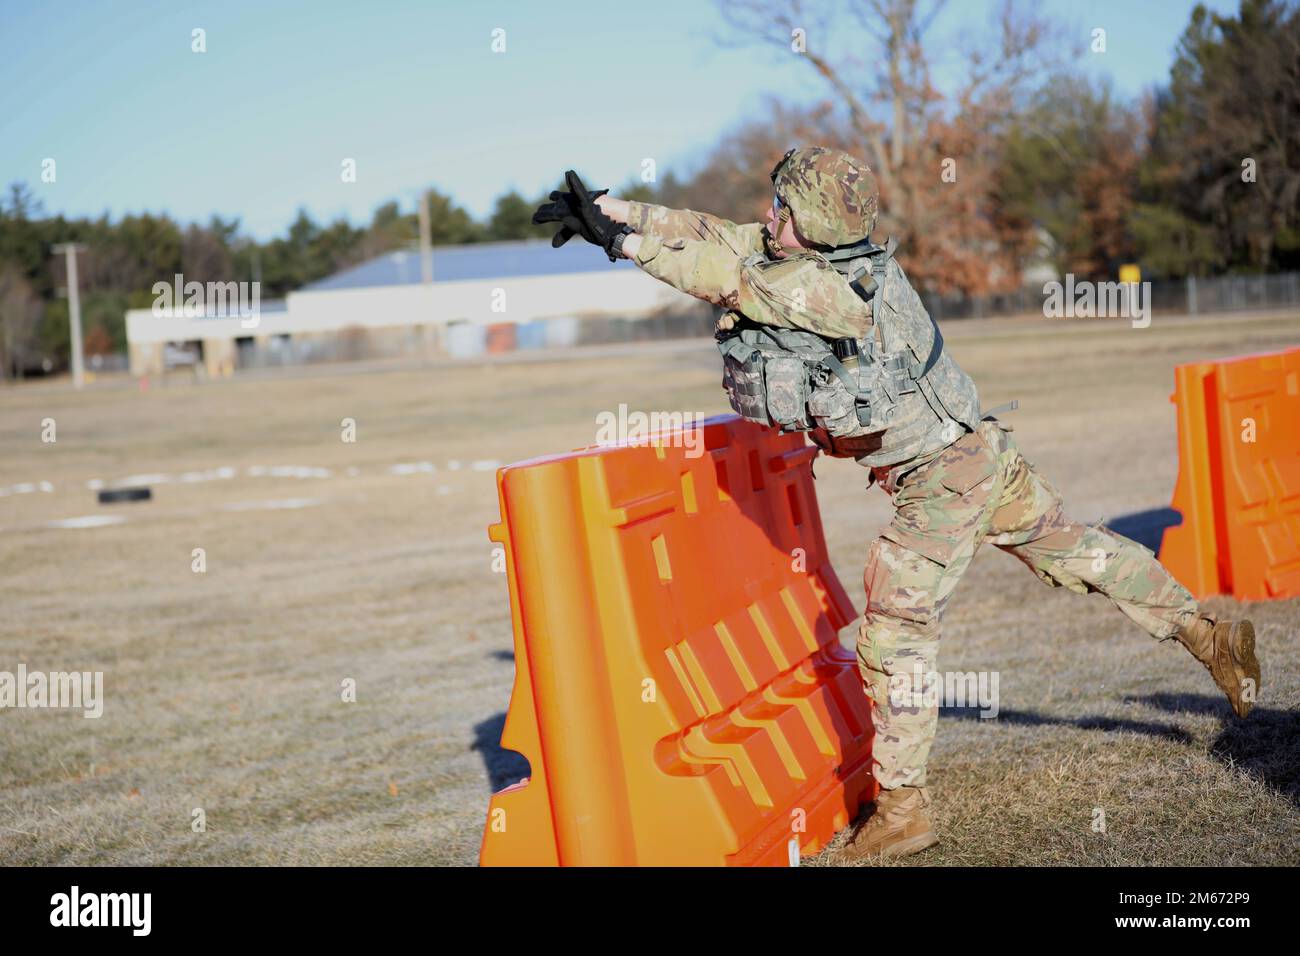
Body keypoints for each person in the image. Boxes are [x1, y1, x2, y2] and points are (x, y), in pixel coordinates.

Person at [532, 149, 1261, 860]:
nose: (767, 213)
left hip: (941, 481)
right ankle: (1210, 636)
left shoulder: (827, 291)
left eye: (781, 206)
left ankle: (904, 812)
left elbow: (720, 273)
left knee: (895, 635)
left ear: (811, 223)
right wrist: (617, 207)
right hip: (978, 453)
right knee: (1083, 551)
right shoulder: (831, 257)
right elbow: (721, 234)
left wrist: (625, 245)